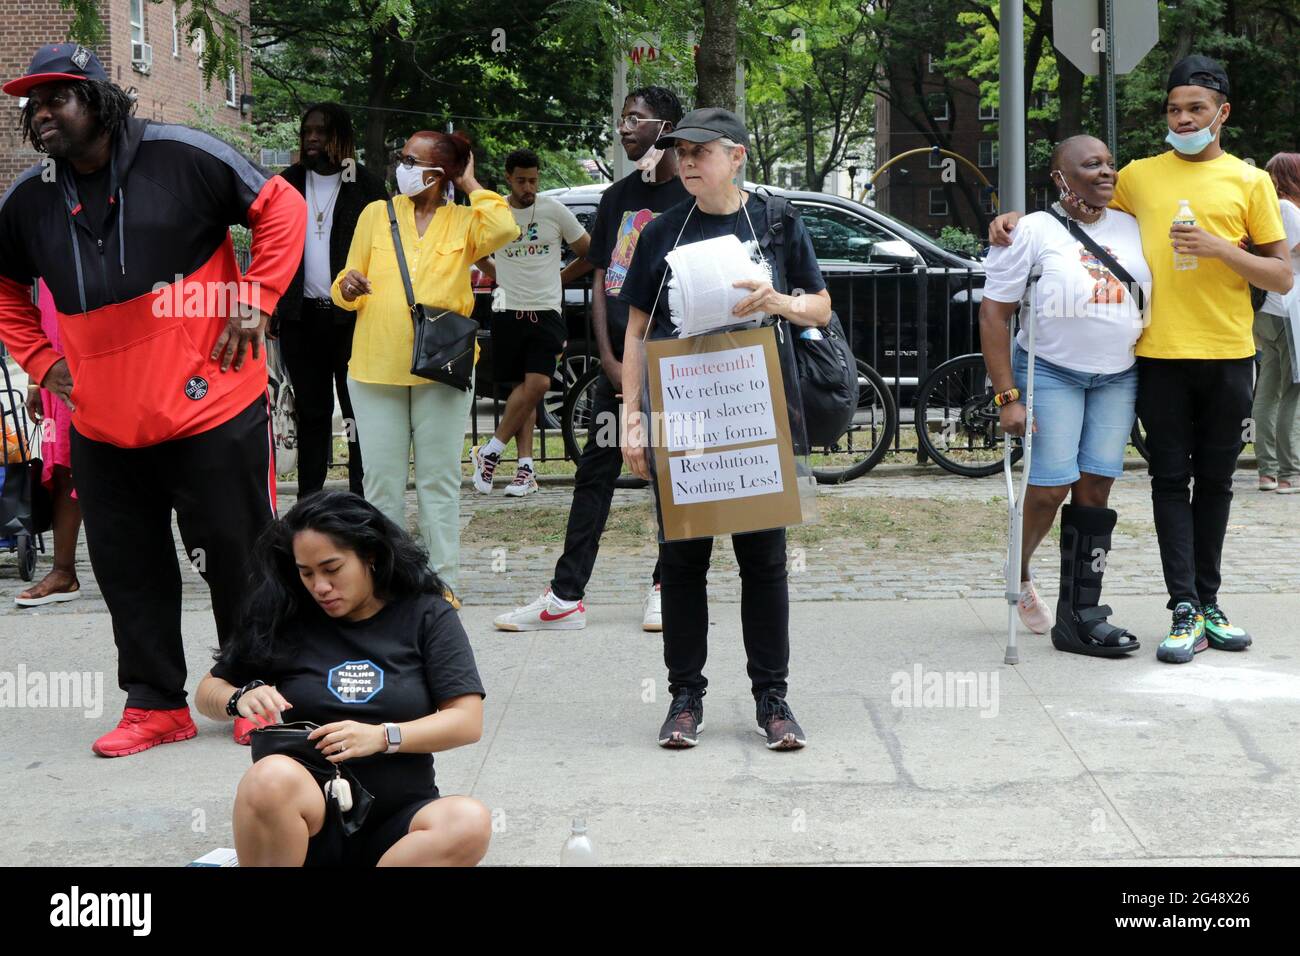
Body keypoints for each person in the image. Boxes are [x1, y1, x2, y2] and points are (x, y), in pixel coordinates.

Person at [0, 44, 306, 754]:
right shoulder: (29, 197)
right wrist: (42, 361)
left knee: (238, 553)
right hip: (103, 420)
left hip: (211, 402)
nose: (42, 112)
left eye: (59, 97)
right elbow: (7, 287)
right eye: (33, 102)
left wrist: (258, 298)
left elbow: (280, 206)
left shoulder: (185, 155)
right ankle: (154, 702)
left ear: (101, 101)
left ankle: (255, 689)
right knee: (126, 562)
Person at [989, 56, 1291, 664]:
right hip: (1151, 360)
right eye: (1174, 109)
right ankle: (1172, 605)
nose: (1182, 119)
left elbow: (1282, 275)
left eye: (1195, 110)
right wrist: (1014, 220)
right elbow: (1078, 199)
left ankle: (1184, 604)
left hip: (1224, 354)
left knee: (1201, 485)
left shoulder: (1251, 181)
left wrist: (1217, 250)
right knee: (1152, 483)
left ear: (1221, 114)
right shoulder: (1139, 177)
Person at [620, 108, 832, 749]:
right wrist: (632, 416)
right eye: (679, 151)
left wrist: (778, 302)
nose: (685, 161)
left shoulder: (775, 220)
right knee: (682, 559)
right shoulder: (659, 231)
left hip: (756, 404)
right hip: (683, 408)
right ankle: (685, 698)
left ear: (736, 156)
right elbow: (634, 331)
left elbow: (819, 305)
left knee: (763, 561)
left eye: (700, 151)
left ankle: (773, 700)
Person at [194, 491, 490, 867]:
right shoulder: (288, 616)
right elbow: (207, 691)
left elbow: (466, 721)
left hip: (401, 818)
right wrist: (239, 698)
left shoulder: (426, 615)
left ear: (371, 556)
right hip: (312, 815)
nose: (319, 586)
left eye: (332, 569)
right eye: (307, 572)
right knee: (268, 779)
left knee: (468, 820)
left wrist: (381, 736)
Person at [493, 86, 687, 633]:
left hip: (676, 366)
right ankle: (565, 597)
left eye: (636, 119)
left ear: (666, 126)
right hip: (618, 366)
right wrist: (606, 355)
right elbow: (602, 280)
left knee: (672, 478)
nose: (625, 128)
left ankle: (665, 587)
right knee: (593, 477)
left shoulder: (692, 198)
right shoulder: (617, 197)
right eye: (622, 118)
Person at [980, 135, 1148, 657]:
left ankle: (1082, 611)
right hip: (1051, 371)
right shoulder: (1031, 231)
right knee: (1052, 488)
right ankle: (1020, 568)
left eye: (1109, 163)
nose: (1106, 172)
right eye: (1090, 164)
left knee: (1096, 487)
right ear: (1061, 177)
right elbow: (994, 314)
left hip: (1118, 374)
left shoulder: (1132, 225)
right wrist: (1008, 395)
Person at [334, 130, 517, 592]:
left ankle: (442, 587)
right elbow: (344, 283)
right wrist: (348, 286)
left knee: (438, 482)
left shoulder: (463, 221)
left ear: (438, 174)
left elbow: (504, 228)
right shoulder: (377, 213)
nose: (402, 166)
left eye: (412, 160)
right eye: (402, 157)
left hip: (442, 369)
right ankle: (386, 585)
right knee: (381, 486)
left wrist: (471, 182)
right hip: (376, 370)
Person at [273, 103, 388, 498]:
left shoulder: (367, 187)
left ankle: (360, 501)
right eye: (307, 131)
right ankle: (309, 503)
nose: (312, 138)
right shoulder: (285, 184)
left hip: (353, 320)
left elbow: (388, 253)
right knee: (312, 414)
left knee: (358, 413)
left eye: (321, 131)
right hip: (300, 319)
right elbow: (269, 246)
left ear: (343, 137)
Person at [470, 148, 591, 497]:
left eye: (534, 180)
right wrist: (501, 274)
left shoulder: (554, 210)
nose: (529, 187)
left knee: (537, 384)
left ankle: (489, 450)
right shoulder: (497, 213)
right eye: (521, 180)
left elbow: (589, 251)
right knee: (519, 394)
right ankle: (526, 470)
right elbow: (476, 251)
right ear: (509, 177)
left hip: (547, 311)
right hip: (508, 309)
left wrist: (561, 279)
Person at [16, 279, 81, 607]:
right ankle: (63, 571)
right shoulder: (44, 230)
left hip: (113, 354)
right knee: (64, 466)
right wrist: (33, 381)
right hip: (56, 365)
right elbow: (38, 314)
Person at [1253, 153, 1300, 494]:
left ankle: (1267, 472)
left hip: (1268, 309)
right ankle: (1290, 472)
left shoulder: (1269, 207)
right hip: (1290, 309)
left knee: (1268, 389)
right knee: (1292, 392)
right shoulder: (1288, 209)